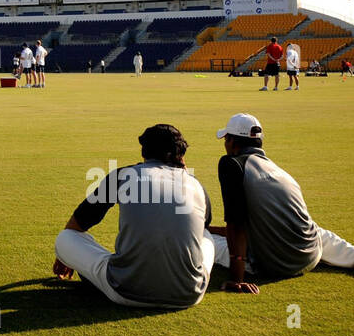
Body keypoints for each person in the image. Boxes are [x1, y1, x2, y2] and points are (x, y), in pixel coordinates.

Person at [214, 112, 354, 292]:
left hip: (272, 265)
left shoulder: (231, 164)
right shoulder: (278, 171)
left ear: (233, 141)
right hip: (311, 254)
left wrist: (236, 278)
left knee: (204, 240)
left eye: (226, 139)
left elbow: (236, 223)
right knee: (318, 233)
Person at [53, 124, 226, 309]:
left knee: (65, 237)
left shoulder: (123, 175)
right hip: (189, 294)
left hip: (125, 290)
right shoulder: (195, 184)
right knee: (206, 235)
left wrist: (68, 258)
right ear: (180, 154)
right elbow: (201, 227)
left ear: (144, 151)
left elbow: (78, 223)